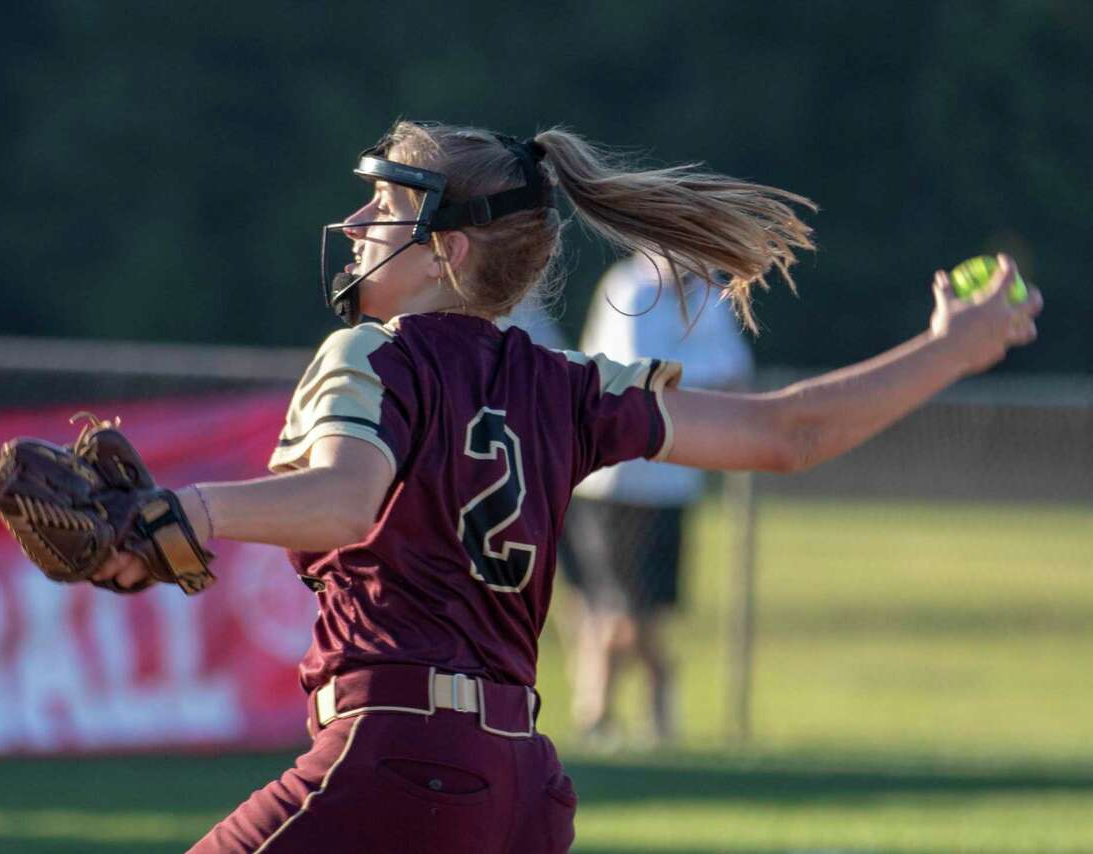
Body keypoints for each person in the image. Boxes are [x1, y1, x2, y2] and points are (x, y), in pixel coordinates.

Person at [91, 120, 1041, 853]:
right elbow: (790, 433)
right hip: (519, 787)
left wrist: (189, 510)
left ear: (449, 250)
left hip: (396, 760)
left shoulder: (374, 356)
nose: (354, 225)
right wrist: (952, 347)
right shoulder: (570, 384)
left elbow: (346, 499)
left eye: (383, 209)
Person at [561, 254, 753, 747]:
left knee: (642, 611)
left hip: (669, 485)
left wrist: (687, 377)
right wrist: (693, 377)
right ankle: (602, 715)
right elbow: (640, 373)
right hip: (612, 482)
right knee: (611, 608)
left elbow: (735, 368)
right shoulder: (631, 291)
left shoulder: (707, 298)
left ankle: (644, 708)